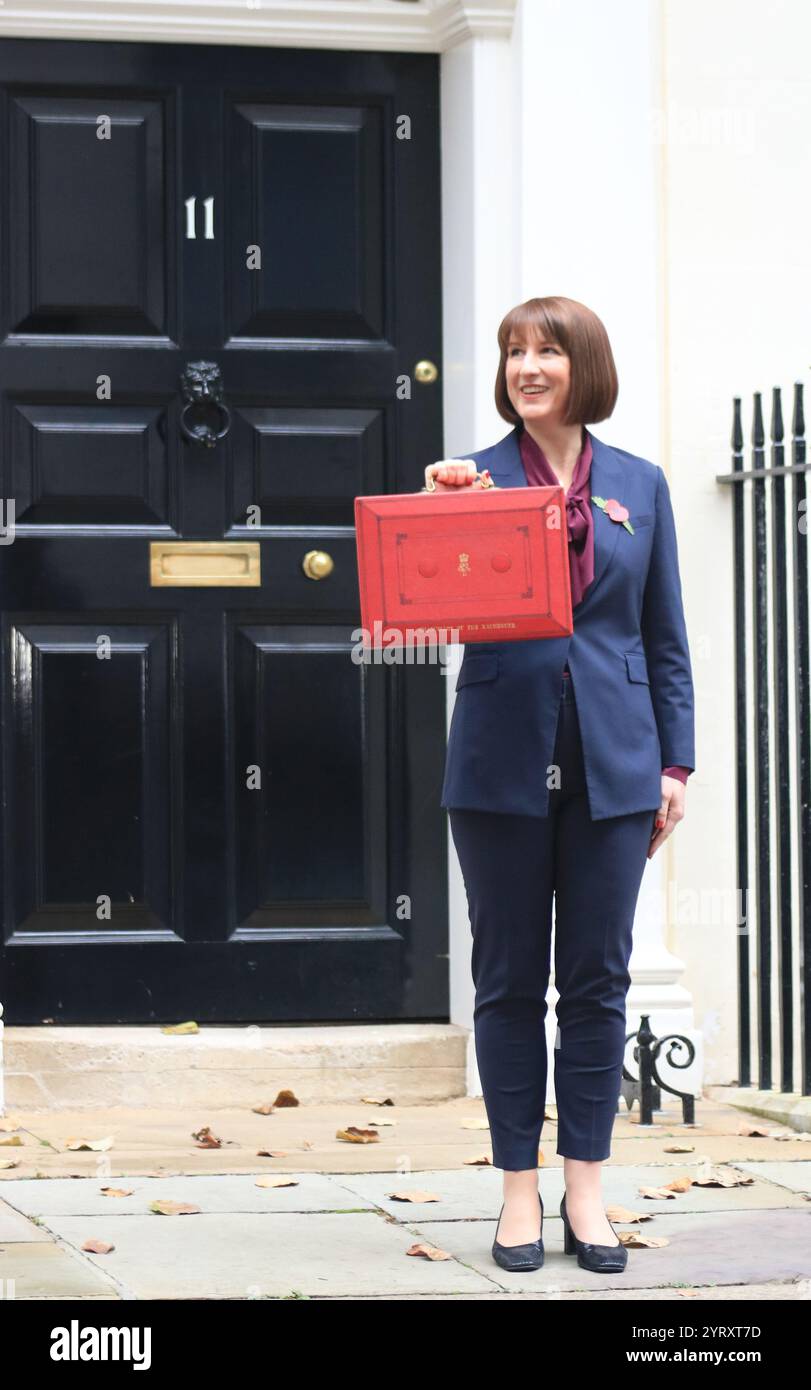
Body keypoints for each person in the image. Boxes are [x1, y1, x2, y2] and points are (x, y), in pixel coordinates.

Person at [420, 295, 695, 1273]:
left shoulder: (642, 486)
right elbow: (429, 597)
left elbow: (663, 639)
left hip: (615, 764)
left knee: (596, 979)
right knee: (504, 982)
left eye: (545, 350)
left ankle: (586, 1189)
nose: (526, 366)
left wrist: (675, 762)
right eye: (511, 352)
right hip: (498, 762)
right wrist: (445, 514)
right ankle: (515, 1193)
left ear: (584, 364)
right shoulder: (471, 480)